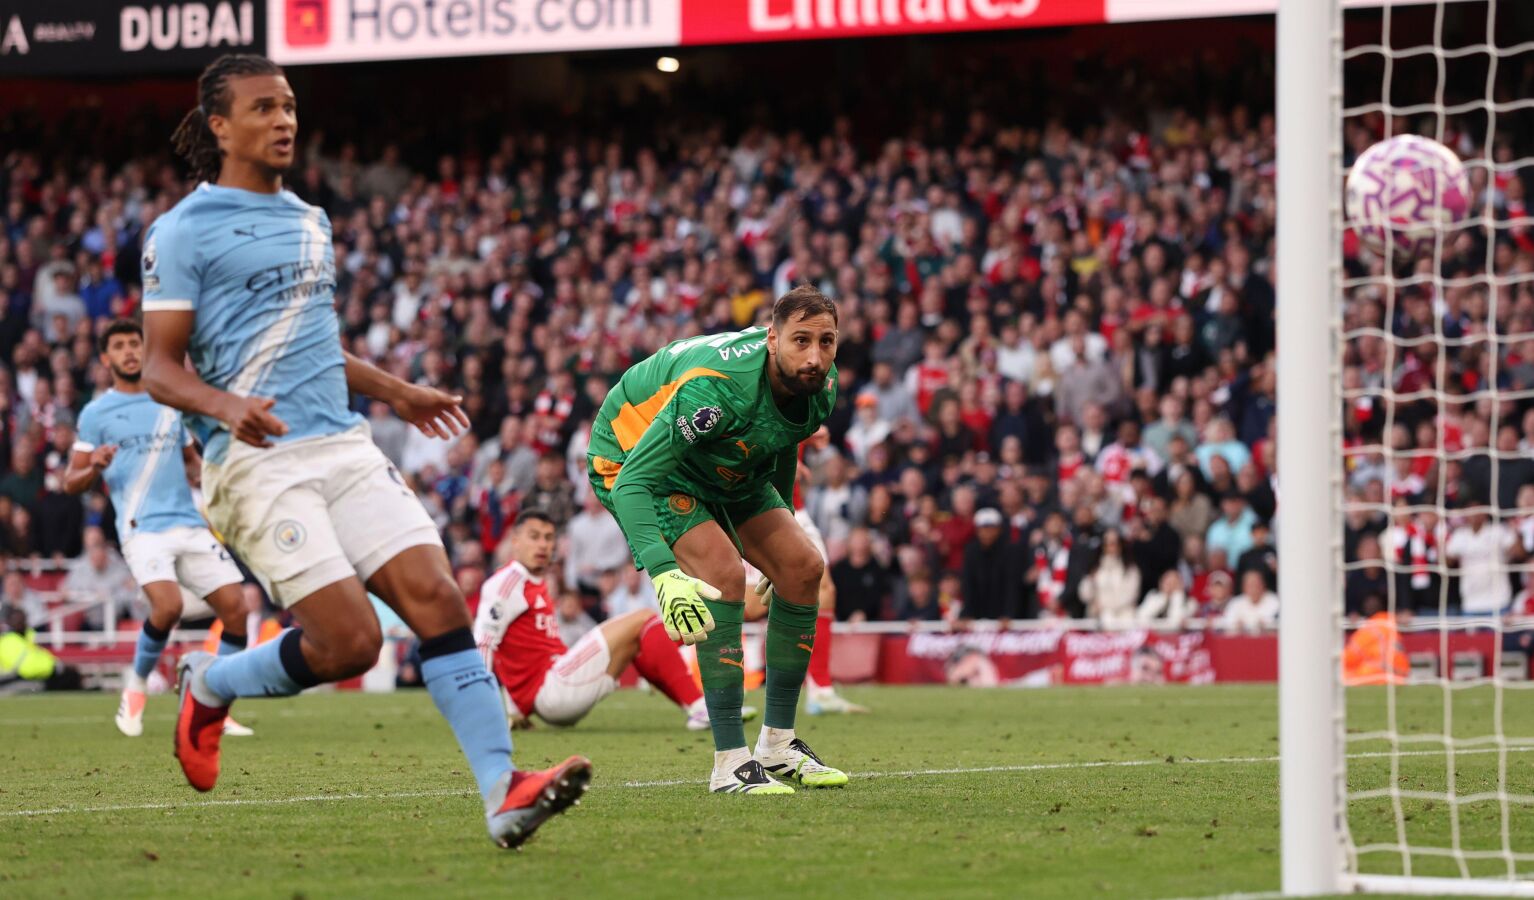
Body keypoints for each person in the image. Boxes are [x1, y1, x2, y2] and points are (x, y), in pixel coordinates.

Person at [139, 54, 587, 849]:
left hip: (343, 444)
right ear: (219, 126)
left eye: (289, 106)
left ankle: (502, 792)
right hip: (254, 461)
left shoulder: (311, 219)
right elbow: (160, 365)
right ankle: (210, 684)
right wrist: (226, 405)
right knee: (351, 641)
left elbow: (311, 349)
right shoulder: (181, 233)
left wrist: (400, 393)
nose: (283, 120)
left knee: (438, 597)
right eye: (263, 108)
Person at [585, 284, 849, 794]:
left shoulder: (822, 384)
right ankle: (729, 761)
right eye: (801, 341)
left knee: (802, 567)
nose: (815, 356)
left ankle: (777, 747)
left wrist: (785, 521)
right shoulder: (717, 390)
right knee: (725, 575)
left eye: (826, 341)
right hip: (632, 454)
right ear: (772, 340)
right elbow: (635, 480)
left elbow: (783, 439)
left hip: (723, 458)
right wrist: (662, 573)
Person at [63, 318, 253, 738]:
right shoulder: (96, 413)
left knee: (238, 611)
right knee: (168, 607)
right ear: (105, 357)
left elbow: (190, 463)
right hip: (141, 528)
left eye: (136, 343)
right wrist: (93, 465)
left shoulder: (170, 401)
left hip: (188, 523)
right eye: (120, 346)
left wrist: (211, 480)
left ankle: (212, 710)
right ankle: (135, 688)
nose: (130, 351)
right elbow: (70, 480)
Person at [473, 510, 716, 731]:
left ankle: (700, 708)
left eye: (548, 538)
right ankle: (701, 702)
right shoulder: (506, 583)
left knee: (638, 640)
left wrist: (516, 712)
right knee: (643, 619)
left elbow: (512, 651)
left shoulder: (535, 582)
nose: (543, 545)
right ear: (515, 541)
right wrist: (484, 713)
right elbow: (484, 643)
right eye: (534, 536)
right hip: (552, 689)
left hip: (555, 688)